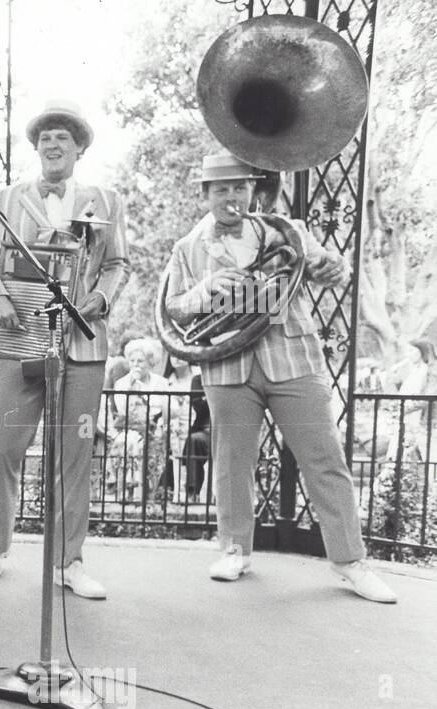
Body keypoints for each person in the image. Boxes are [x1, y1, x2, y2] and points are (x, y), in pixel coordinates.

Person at [162, 151, 396, 602]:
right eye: (221, 189)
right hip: (227, 364)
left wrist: (336, 267)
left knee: (324, 458)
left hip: (291, 357)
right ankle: (234, 550)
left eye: (240, 187)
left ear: (253, 189)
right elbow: (172, 307)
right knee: (232, 463)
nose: (232, 197)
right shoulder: (187, 247)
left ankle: (351, 561)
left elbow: (331, 270)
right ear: (205, 194)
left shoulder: (288, 231)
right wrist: (204, 290)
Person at [0, 100, 129, 597]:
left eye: (63, 137)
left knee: (74, 454)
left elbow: (118, 263)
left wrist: (99, 299)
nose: (52, 144)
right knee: (2, 448)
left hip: (82, 344)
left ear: (79, 148)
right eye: (45, 138)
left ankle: (68, 562)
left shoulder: (105, 199)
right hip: (23, 341)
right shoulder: (8, 196)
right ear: (36, 147)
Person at [108, 338, 169, 499]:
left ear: (150, 362)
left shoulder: (161, 383)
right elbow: (123, 409)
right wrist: (132, 386)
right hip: (130, 427)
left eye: (140, 360)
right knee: (127, 441)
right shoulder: (122, 383)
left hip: (153, 428)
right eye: (132, 360)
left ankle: (146, 494)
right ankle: (126, 492)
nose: (136, 364)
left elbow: (164, 408)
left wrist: (142, 391)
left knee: (141, 442)